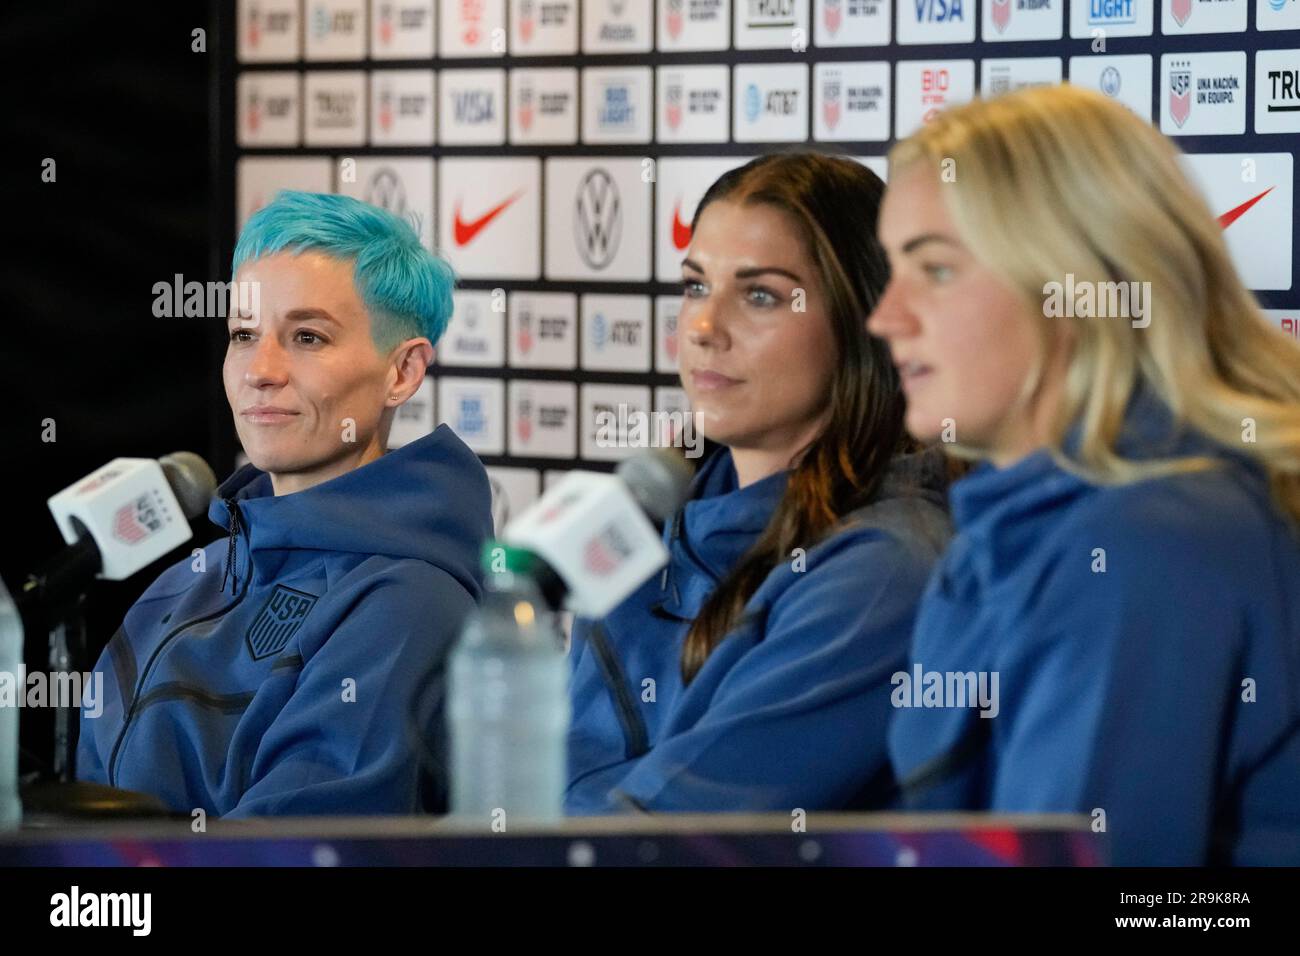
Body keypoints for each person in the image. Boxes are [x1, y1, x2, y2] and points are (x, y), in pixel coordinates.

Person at [871, 85, 1300, 865]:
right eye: (892, 269)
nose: (885, 317)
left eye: (934, 270)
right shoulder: (1030, 523)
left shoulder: (1144, 543)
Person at [77, 191, 493, 816]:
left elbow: (285, 854)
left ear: (401, 373)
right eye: (243, 334)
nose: (260, 370)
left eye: (306, 336)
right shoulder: (182, 585)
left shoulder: (408, 606)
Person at [565, 154, 953, 814]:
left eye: (761, 295)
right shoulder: (647, 513)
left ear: (866, 323)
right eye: (695, 286)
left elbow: (666, 833)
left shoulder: (886, 568)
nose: (705, 327)